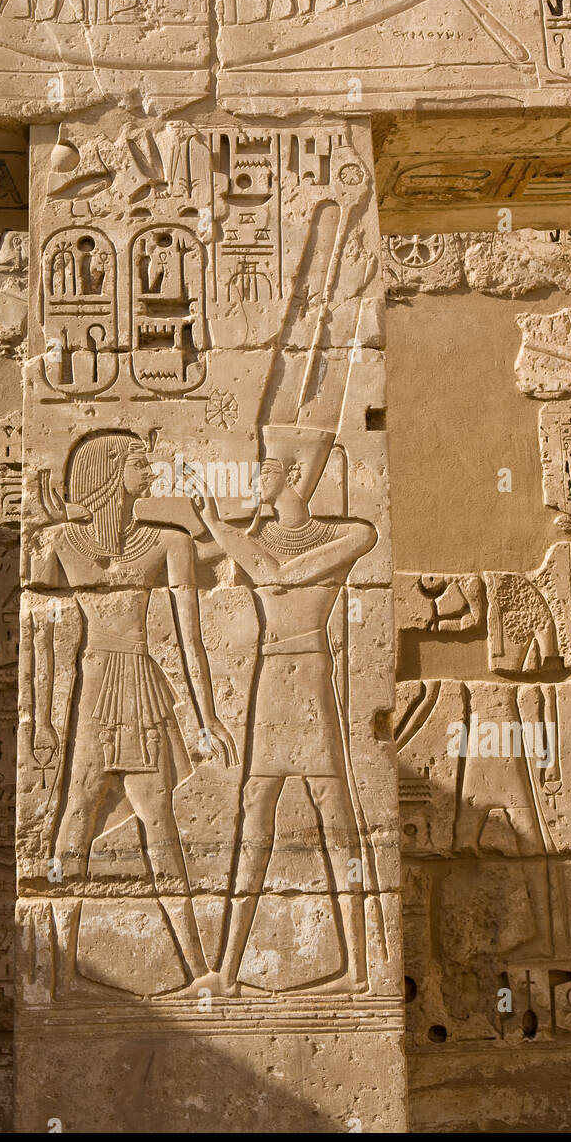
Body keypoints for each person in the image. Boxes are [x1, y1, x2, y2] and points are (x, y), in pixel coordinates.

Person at [32, 430, 238, 993]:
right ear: (107, 472)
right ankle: (56, 969)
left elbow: (190, 638)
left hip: (141, 686)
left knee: (158, 820)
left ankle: (197, 970)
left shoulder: (167, 542)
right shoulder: (60, 542)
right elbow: (42, 636)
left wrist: (207, 716)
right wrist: (45, 719)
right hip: (92, 691)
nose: (150, 474)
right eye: (139, 465)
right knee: (74, 817)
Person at [191, 426, 376, 994]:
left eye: (267, 467)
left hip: (311, 676)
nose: (257, 477)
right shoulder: (255, 534)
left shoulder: (349, 533)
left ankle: (360, 970)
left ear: (294, 474)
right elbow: (194, 556)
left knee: (334, 815)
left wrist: (222, 527)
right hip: (271, 679)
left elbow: (279, 573)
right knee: (254, 811)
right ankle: (226, 972)